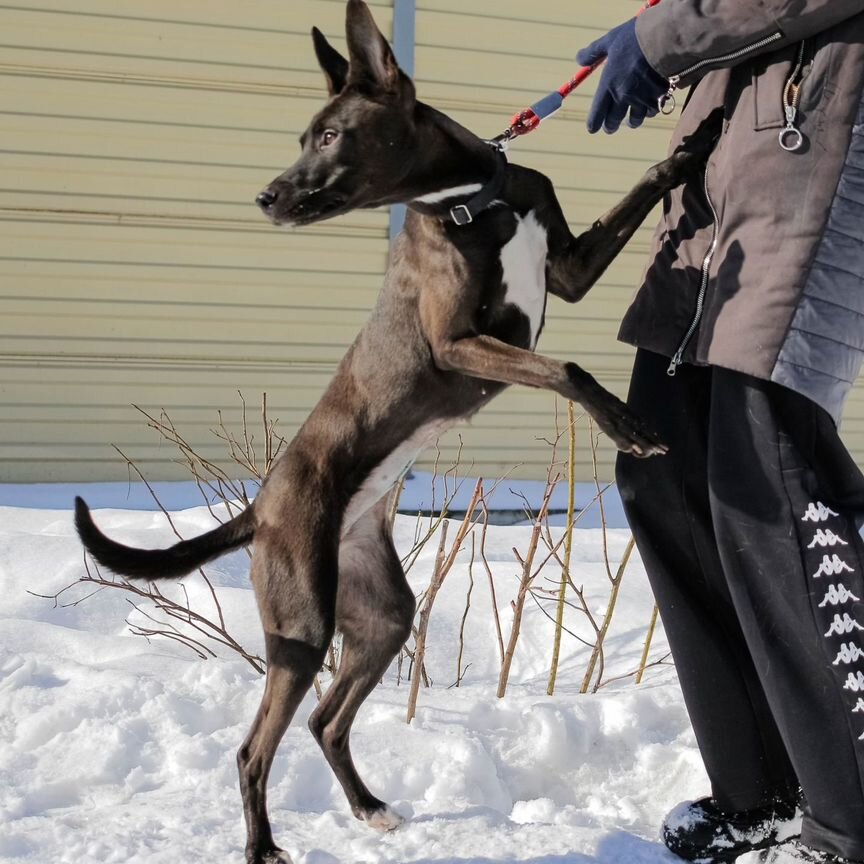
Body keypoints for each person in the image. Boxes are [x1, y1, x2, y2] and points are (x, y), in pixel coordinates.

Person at [575, 3, 864, 863]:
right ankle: (764, 791)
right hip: (712, 212)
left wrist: (665, 39)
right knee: (661, 473)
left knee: (770, 492)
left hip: (808, 182)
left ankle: (851, 822)